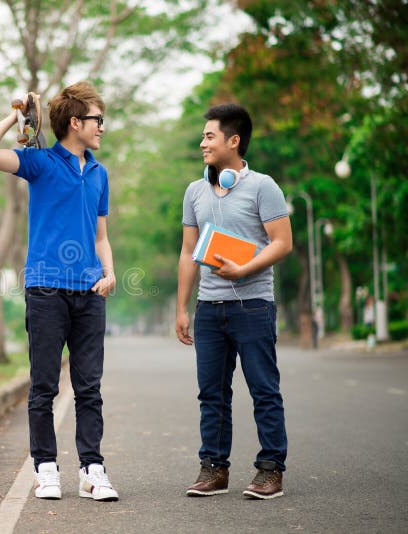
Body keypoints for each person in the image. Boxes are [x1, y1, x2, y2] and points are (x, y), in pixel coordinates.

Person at [0, 81, 119, 502]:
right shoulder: (38, 163)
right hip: (46, 291)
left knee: (89, 387)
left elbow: (101, 235)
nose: (102, 127)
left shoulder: (99, 173)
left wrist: (109, 273)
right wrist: (15, 116)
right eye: (97, 120)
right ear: (76, 122)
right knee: (44, 387)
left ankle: (92, 470)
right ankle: (46, 468)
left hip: (90, 292)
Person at [175, 103, 293, 500]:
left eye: (210, 136)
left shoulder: (263, 186)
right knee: (211, 393)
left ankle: (270, 470)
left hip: (253, 305)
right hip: (209, 308)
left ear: (234, 140)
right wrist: (182, 308)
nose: (203, 142)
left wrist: (245, 269)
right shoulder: (194, 191)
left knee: (263, 389)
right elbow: (188, 250)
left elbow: (283, 242)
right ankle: (214, 469)